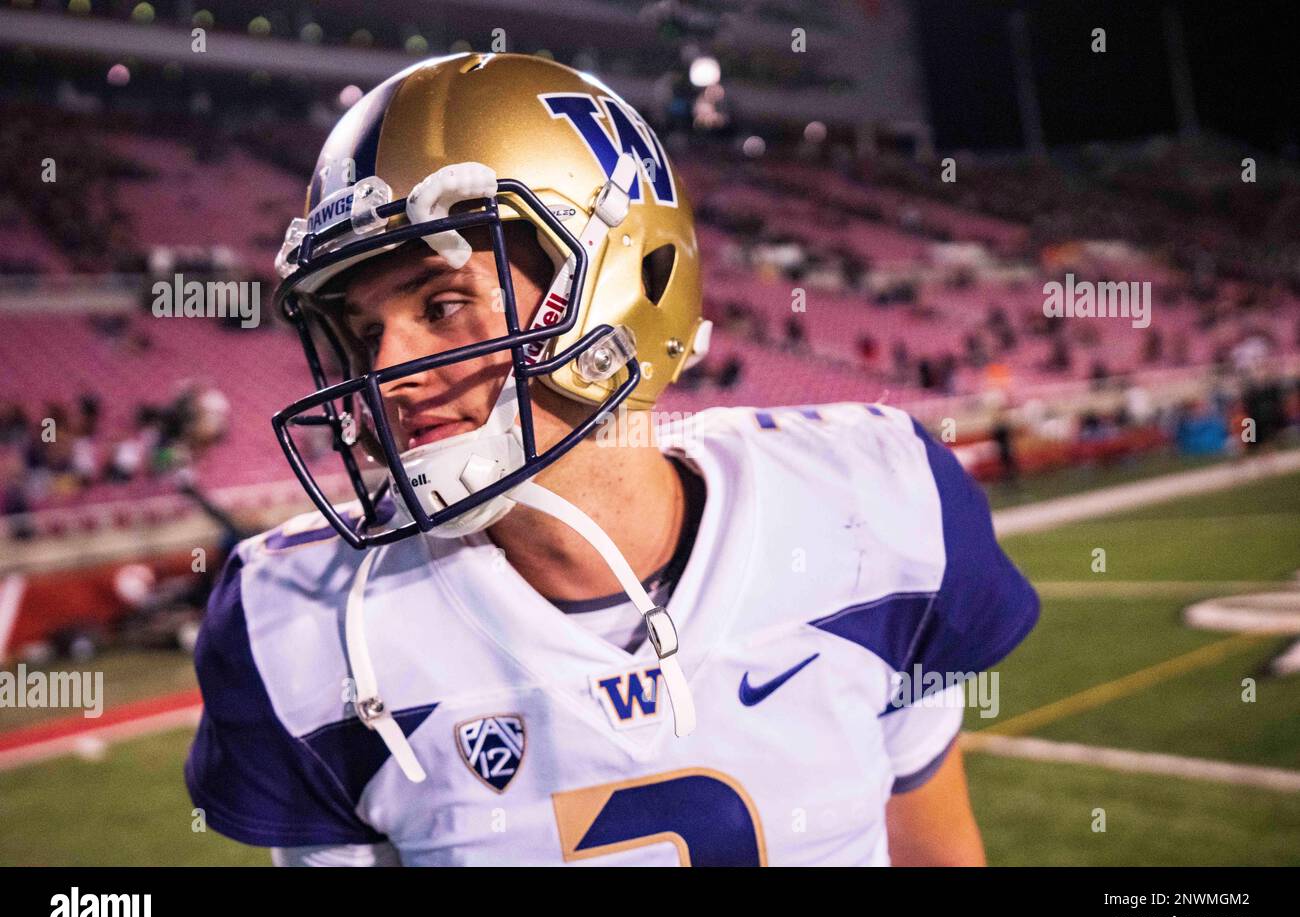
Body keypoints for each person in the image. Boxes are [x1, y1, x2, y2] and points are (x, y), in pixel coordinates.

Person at [185, 53, 1038, 867]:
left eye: (442, 304)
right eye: (363, 332)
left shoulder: (866, 503)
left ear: (619, 275)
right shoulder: (305, 626)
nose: (382, 375)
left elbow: (933, 847)